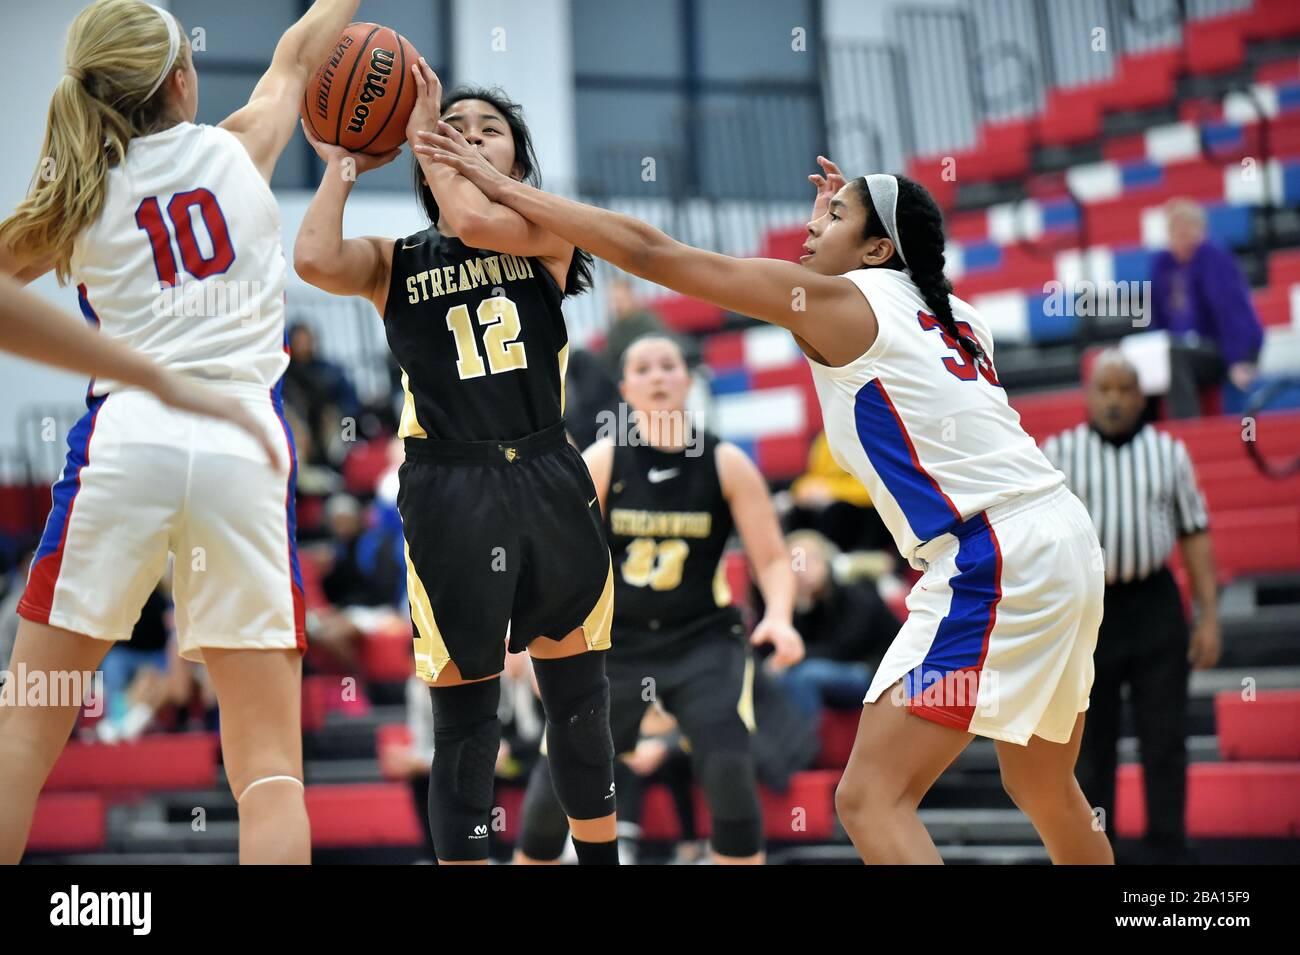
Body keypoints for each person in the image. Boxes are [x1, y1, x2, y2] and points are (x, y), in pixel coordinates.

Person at [418, 138, 1113, 864]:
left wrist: (508, 189)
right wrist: (840, 236)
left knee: (869, 799)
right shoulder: (960, 316)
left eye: (835, 217)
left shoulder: (844, 303)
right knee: (1044, 784)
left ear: (878, 250)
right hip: (1062, 539)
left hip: (991, 558)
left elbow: (653, 254)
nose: (813, 224)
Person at [0, 0, 366, 865]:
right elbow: (299, 51)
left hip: (127, 437)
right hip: (244, 440)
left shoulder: (75, 196)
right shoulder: (239, 146)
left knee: (23, 737)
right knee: (270, 771)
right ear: (181, 79)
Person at [294, 69, 620, 864]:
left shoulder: (547, 235)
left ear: (519, 162)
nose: (468, 134)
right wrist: (342, 163)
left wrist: (430, 136)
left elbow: (474, 218)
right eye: (455, 126)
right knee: (467, 727)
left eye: (488, 129)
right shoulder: (395, 259)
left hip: (547, 471)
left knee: (579, 707)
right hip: (451, 488)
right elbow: (313, 258)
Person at [513, 333, 803, 865]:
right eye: (643, 368)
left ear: (687, 380)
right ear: (626, 389)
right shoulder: (604, 460)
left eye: (668, 365)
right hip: (614, 645)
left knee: (730, 776)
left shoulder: (725, 462)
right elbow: (557, 563)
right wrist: (542, 641)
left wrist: (780, 617)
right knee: (554, 793)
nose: (657, 376)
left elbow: (772, 559)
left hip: (702, 642)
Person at [1041, 349, 1220, 862]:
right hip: (1088, 610)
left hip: (1154, 603)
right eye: (1105, 390)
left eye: (1125, 390)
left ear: (1142, 397)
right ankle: (1097, 850)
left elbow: (1194, 533)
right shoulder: (1059, 453)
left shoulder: (1169, 452)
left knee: (1165, 735)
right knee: (1091, 743)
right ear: (1089, 395)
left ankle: (1168, 848)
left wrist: (1209, 617)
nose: (1115, 400)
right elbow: (1041, 539)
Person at [1149, 198, 1264, 418]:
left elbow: (1232, 314)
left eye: (1187, 230)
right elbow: (1157, 318)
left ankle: (1188, 431)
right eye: (1175, 231)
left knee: (1174, 357)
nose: (1181, 237)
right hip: (1187, 348)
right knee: (1151, 360)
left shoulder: (1214, 258)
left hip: (1224, 348)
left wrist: (1239, 359)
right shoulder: (1163, 265)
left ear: (1201, 232)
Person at [777, 529, 901, 719]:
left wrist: (791, 657)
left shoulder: (856, 593)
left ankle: (801, 739)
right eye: (795, 563)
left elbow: (844, 649)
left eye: (809, 560)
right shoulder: (800, 602)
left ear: (826, 560)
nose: (802, 569)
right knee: (774, 678)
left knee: (806, 675)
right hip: (838, 670)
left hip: (876, 671)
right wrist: (803, 608)